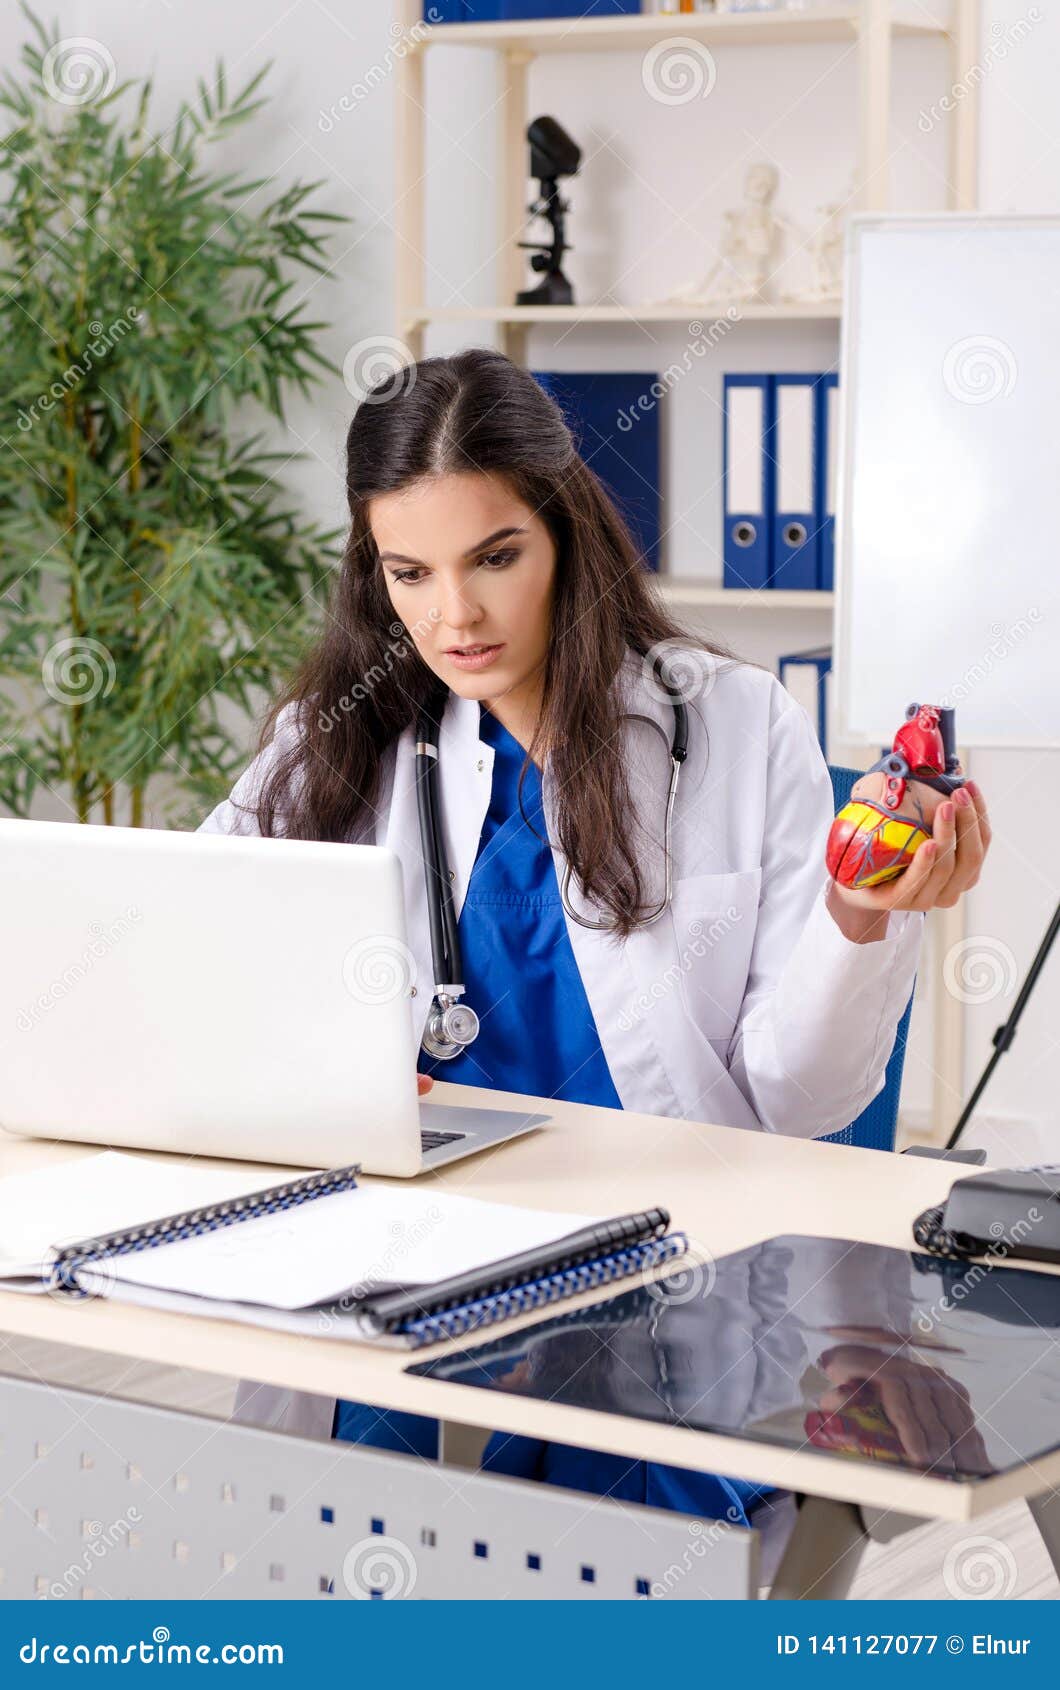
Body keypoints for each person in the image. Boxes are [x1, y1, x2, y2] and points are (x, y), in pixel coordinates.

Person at [199, 347, 991, 1533]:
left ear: (564, 532)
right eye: (408, 572)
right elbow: (192, 939)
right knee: (348, 1523)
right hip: (414, 1263)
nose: (451, 616)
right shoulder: (342, 740)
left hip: (660, 1275)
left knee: (606, 1536)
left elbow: (802, 1091)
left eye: (494, 558)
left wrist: (860, 916)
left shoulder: (727, 725)